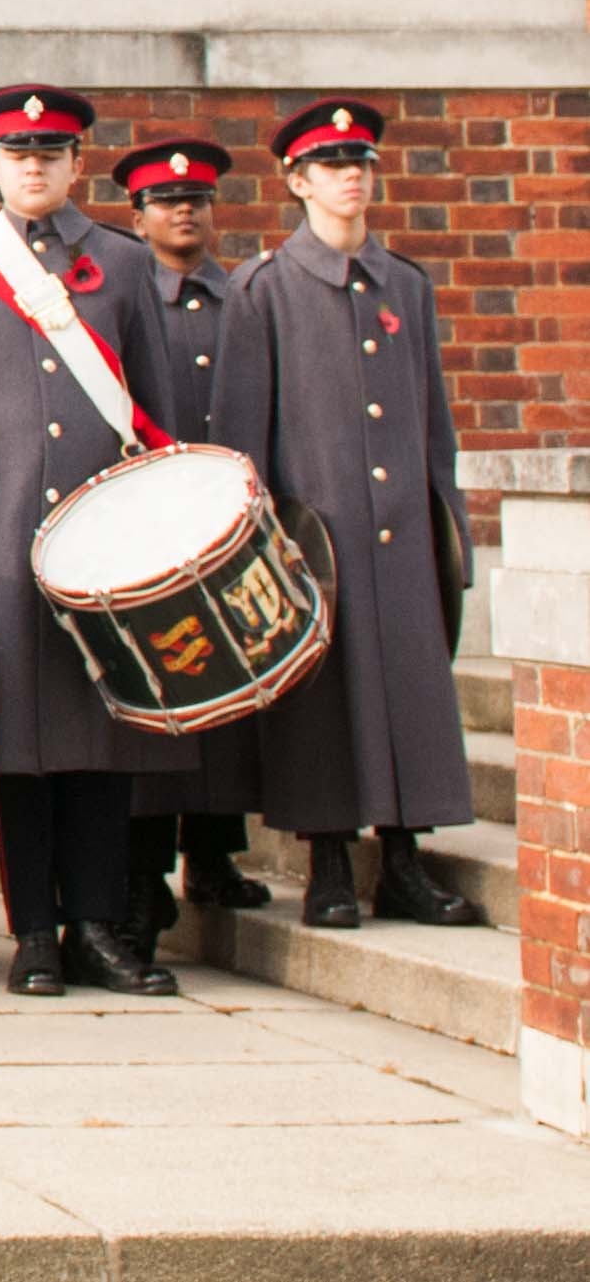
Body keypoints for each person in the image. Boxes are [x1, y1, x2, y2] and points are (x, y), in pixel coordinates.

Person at [0, 82, 181, 998]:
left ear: (75, 164)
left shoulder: (124, 264)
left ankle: (99, 925)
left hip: (104, 524)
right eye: (17, 155)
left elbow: (156, 404)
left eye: (50, 155)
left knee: (102, 729)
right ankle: (35, 934)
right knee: (16, 736)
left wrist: (161, 517)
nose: (33, 167)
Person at [221, 101, 488, 931]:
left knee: (411, 687)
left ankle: (404, 858)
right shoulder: (264, 288)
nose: (351, 176)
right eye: (331, 164)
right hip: (316, 531)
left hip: (402, 525)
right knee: (322, 705)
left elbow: (433, 420)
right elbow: (240, 435)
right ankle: (329, 861)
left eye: (361, 162)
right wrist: (257, 547)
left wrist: (449, 527)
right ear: (297, 181)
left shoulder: (405, 283)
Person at [113, 137, 270, 943]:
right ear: (137, 218)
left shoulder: (246, 296)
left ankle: (216, 850)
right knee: (162, 699)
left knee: (228, 702)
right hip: (154, 524)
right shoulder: (125, 295)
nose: (186, 212)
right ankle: (145, 872)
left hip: (224, 520)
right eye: (168, 202)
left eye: (198, 200)